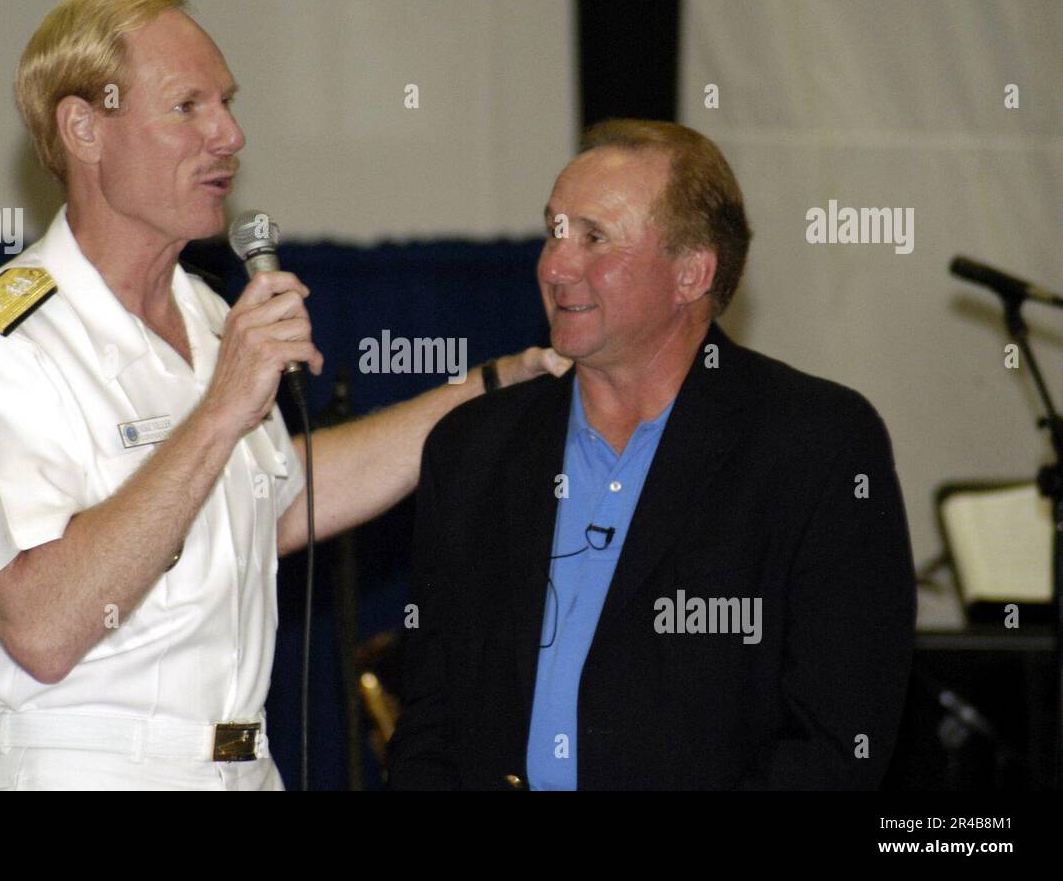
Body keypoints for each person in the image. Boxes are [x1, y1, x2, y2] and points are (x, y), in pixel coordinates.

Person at [0, 0, 561, 791]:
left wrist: (486, 389)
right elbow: (42, 626)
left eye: (226, 102)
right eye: (187, 105)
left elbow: (274, 502)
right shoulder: (3, 343)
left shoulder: (206, 312)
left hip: (240, 768)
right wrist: (220, 409)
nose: (230, 134)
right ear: (83, 127)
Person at [386, 120, 916, 790]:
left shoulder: (815, 446)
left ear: (691, 272)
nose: (555, 265)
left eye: (594, 238)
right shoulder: (475, 449)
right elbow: (431, 717)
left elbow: (835, 745)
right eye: (553, 231)